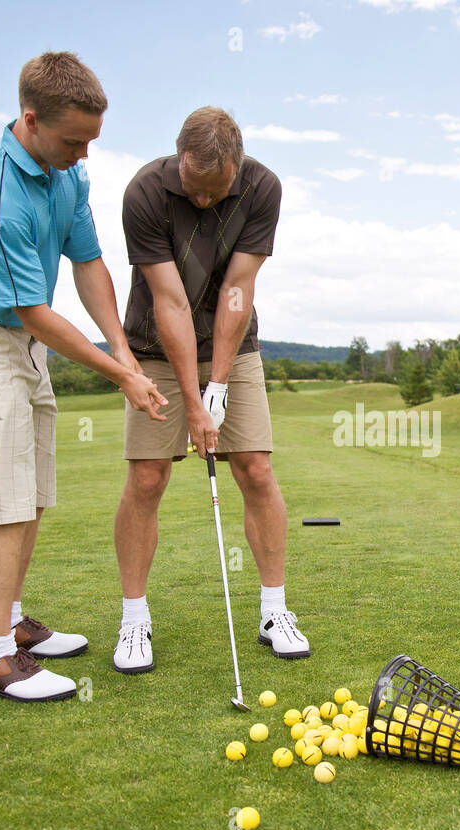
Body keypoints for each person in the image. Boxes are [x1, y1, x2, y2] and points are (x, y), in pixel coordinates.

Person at [0, 51, 167, 702]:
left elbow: (88, 264)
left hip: (24, 343)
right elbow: (36, 312)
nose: (84, 156)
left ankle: (9, 621)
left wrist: (122, 347)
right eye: (73, 141)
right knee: (2, 502)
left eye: (92, 142)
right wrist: (121, 376)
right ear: (31, 121)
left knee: (31, 491)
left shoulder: (68, 175)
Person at [112, 106, 308, 674]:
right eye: (192, 188)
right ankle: (134, 618)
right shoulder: (146, 191)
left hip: (233, 342)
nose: (201, 201)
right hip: (155, 344)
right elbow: (170, 301)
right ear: (180, 161)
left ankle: (275, 611)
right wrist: (196, 405)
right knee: (148, 476)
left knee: (256, 467)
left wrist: (218, 383)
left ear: (235, 168)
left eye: (212, 191)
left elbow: (237, 289)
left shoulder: (262, 187)